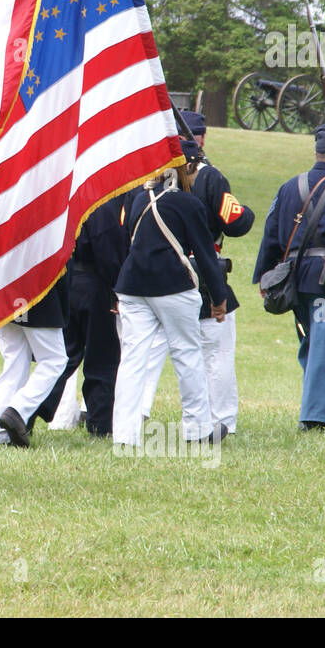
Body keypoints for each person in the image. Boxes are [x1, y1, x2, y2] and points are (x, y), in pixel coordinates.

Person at [113, 143, 230, 447]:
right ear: (185, 167)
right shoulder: (188, 205)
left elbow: (130, 243)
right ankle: (197, 429)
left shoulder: (138, 198)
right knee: (187, 355)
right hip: (171, 285)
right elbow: (205, 256)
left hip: (132, 286)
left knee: (132, 360)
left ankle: (125, 435)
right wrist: (219, 298)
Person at [251, 124, 325, 430]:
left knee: (311, 343)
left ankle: (313, 405)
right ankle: (313, 418)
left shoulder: (289, 187)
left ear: (317, 153)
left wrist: (265, 276)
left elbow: (271, 235)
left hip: (296, 278)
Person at [176, 110, 254, 434]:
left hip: (164, 271)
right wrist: (247, 212)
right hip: (204, 271)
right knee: (217, 352)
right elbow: (236, 222)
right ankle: (221, 420)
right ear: (201, 138)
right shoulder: (210, 177)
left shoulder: (155, 173)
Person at [35, 197, 129, 437]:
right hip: (95, 284)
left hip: (68, 280)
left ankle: (28, 410)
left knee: (65, 354)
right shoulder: (101, 199)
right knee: (102, 357)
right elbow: (107, 247)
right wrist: (117, 284)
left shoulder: (68, 193)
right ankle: (100, 424)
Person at [0, 272, 70, 447]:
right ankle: (18, 410)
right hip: (37, 289)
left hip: (7, 287)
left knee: (14, 363)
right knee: (54, 359)